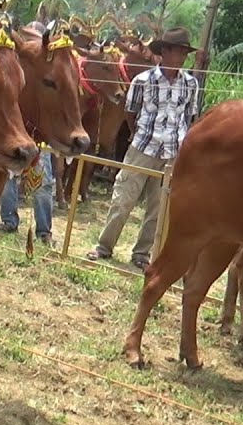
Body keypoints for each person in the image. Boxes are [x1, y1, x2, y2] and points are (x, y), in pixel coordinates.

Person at [86, 26, 207, 269]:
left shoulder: (191, 84)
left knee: (158, 207)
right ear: (165, 52)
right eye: (178, 51)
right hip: (143, 147)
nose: (182, 57)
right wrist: (137, 132)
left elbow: (190, 116)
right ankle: (104, 246)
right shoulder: (143, 80)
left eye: (185, 52)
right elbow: (130, 112)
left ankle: (141, 254)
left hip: (172, 152)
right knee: (123, 198)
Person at [0, 153, 55, 245]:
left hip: (41, 146)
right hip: (14, 145)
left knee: (43, 183)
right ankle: (9, 223)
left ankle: (44, 233)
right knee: (7, 177)